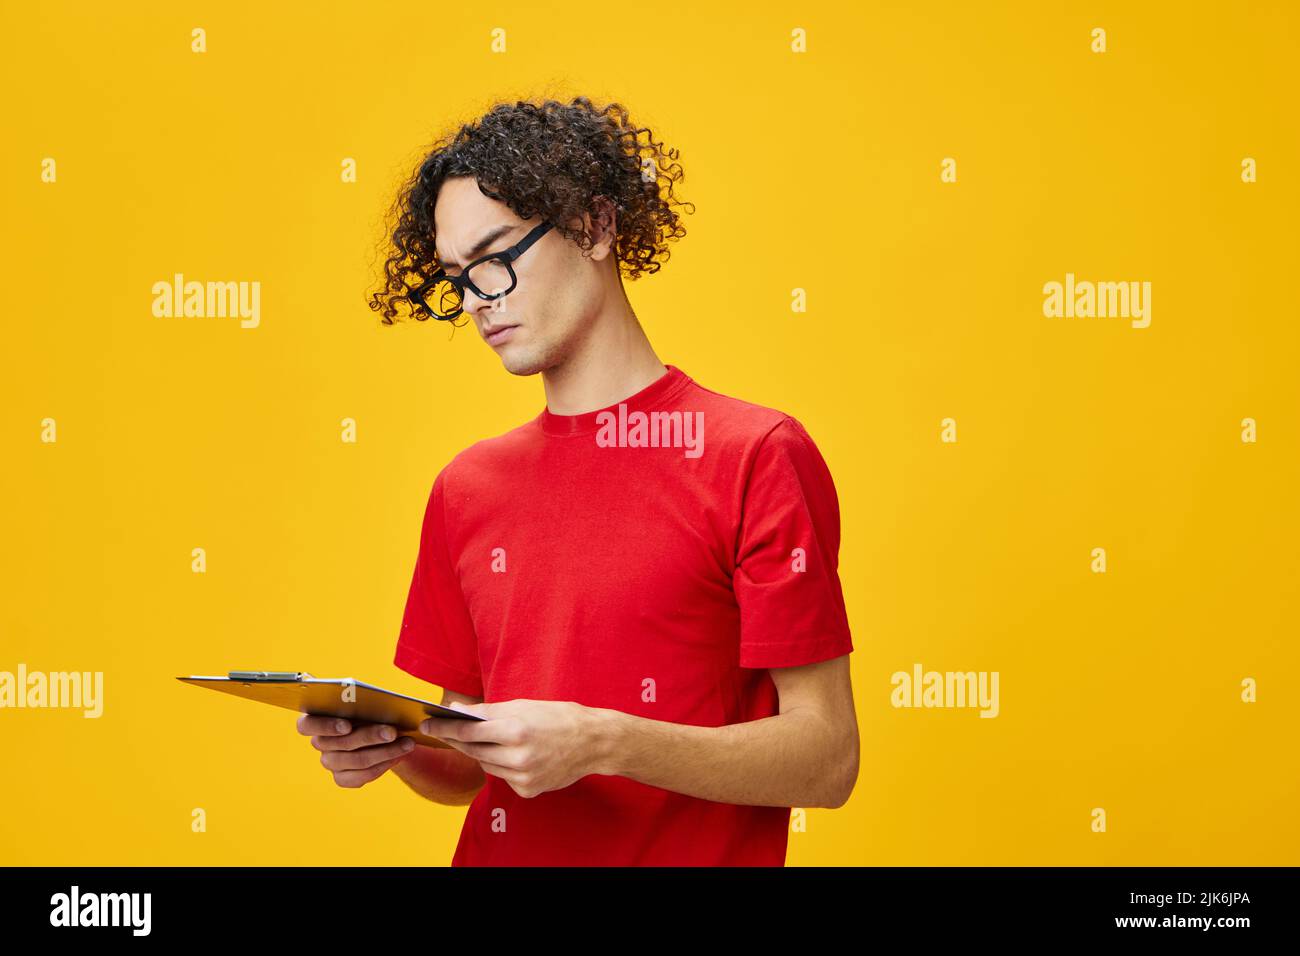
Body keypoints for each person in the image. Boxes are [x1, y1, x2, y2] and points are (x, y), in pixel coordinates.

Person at [297, 96, 859, 865]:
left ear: (595, 227)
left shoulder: (756, 454)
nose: (479, 300)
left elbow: (827, 758)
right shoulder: (467, 488)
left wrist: (604, 741)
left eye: (497, 257)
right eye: (459, 277)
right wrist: (398, 747)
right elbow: (468, 766)